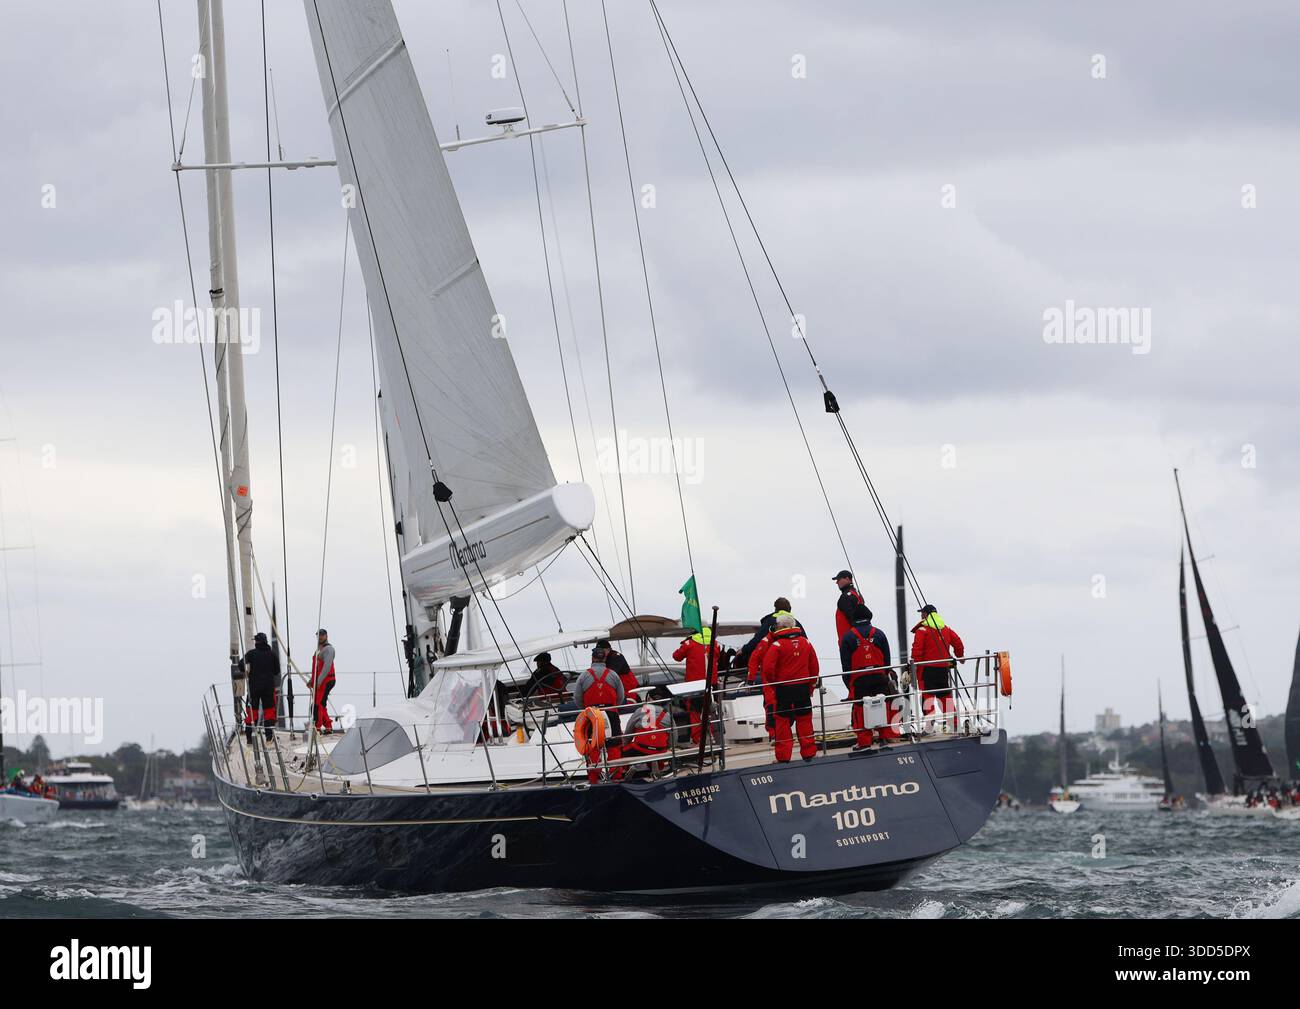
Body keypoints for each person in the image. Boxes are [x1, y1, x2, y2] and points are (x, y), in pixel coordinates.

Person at [760, 613, 819, 762]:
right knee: (805, 720)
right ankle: (809, 753)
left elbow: (767, 669)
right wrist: (811, 685)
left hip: (783, 689)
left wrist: (774, 684)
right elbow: (814, 667)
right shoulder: (806, 643)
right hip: (803, 689)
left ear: (782, 627)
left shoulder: (777, 645)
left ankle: (783, 757)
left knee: (782, 724)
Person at [839, 604, 895, 750]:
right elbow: (887, 660)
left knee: (860, 709)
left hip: (859, 679)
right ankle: (884, 737)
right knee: (883, 705)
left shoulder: (848, 637)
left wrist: (849, 684)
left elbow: (846, 665)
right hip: (879, 676)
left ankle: (864, 742)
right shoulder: (880, 634)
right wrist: (885, 674)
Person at [573, 647, 627, 782]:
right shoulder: (613, 675)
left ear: (592, 658)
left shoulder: (583, 676)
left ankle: (593, 777)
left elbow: (577, 699)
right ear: (605, 658)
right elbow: (621, 697)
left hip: (592, 715)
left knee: (593, 746)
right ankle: (617, 776)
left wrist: (589, 711)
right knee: (614, 746)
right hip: (611, 713)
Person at [910, 604, 964, 731]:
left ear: (925, 615)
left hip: (927, 670)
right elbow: (958, 643)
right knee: (945, 696)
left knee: (927, 697)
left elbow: (916, 651)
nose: (921, 616)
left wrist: (913, 668)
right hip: (943, 669)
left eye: (922, 613)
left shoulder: (922, 630)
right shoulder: (946, 629)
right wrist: (960, 657)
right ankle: (955, 724)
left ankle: (929, 726)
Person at [673, 627, 721, 744]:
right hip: (711, 683)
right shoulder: (715, 644)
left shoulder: (689, 643)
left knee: (695, 712)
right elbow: (717, 657)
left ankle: (698, 739)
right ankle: (712, 737)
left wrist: (686, 641)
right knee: (710, 710)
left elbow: (676, 656)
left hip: (695, 685)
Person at [241, 631, 280, 743]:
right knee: (269, 712)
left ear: (257, 642)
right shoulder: (272, 654)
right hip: (268, 688)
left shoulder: (252, 654)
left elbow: (240, 664)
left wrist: (246, 671)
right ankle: (269, 737)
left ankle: (249, 739)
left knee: (252, 713)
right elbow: (276, 671)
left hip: (254, 688)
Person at [622, 695, 673, 775]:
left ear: (648, 699)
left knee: (622, 752)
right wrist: (667, 747)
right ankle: (654, 768)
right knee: (655, 753)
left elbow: (628, 734)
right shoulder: (668, 715)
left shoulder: (639, 711)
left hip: (640, 748)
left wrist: (624, 745)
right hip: (659, 751)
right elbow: (673, 738)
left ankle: (629, 770)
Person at [309, 628, 337, 734]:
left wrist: (319, 681)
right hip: (321, 680)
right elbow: (316, 668)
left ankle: (317, 727)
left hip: (326, 680)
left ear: (326, 636)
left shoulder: (328, 649)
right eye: (318, 635)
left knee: (318, 704)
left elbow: (326, 666)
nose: (320, 637)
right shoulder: (318, 650)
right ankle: (328, 726)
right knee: (321, 703)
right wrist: (312, 680)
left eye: (322, 635)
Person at [833, 570, 865, 641]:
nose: (837, 582)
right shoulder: (856, 595)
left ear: (847, 579)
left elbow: (852, 619)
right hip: (860, 639)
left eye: (839, 579)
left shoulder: (845, 597)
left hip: (849, 641)